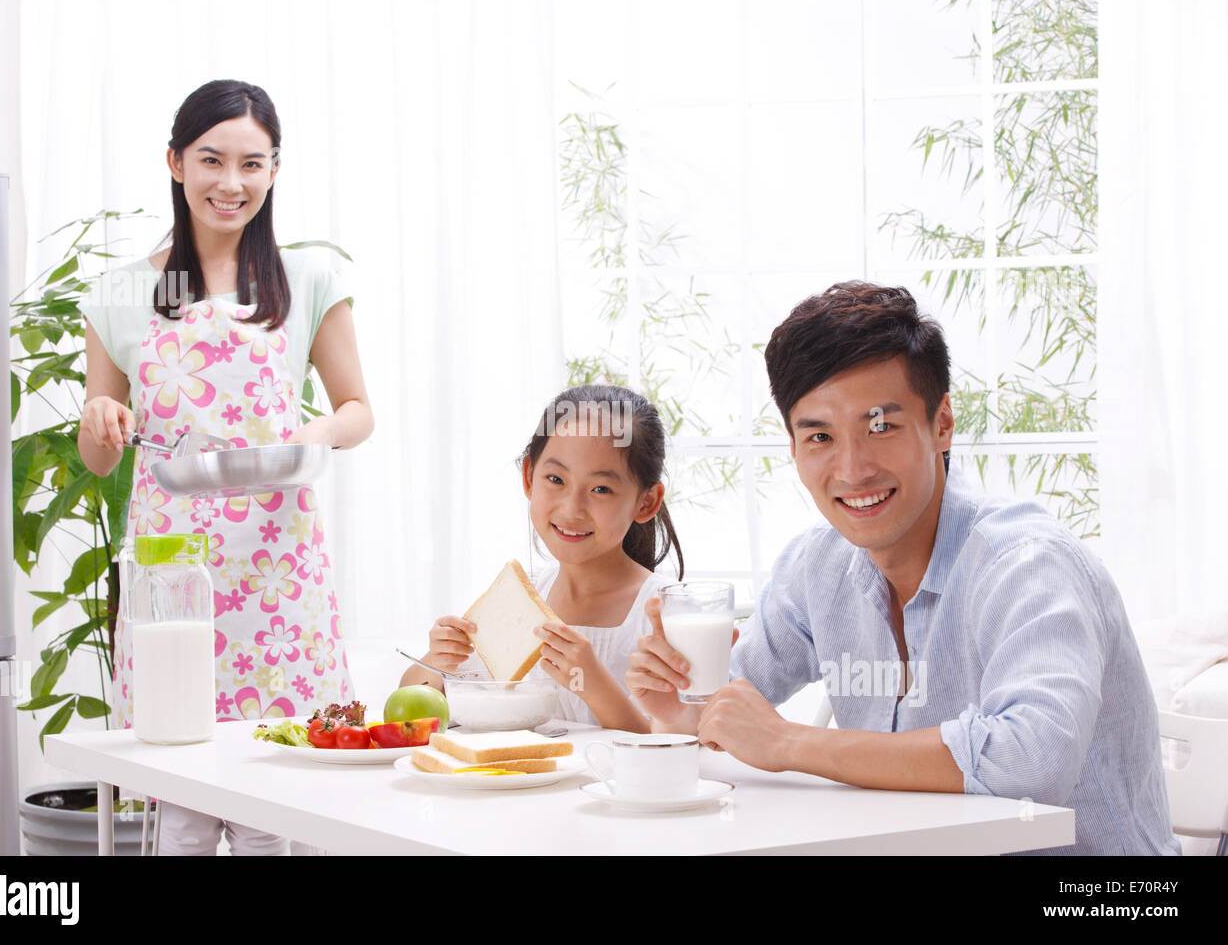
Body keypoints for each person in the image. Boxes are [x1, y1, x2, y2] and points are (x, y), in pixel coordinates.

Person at [627, 281, 1180, 855]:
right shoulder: (816, 568)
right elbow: (730, 709)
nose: (853, 468)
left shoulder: (1028, 566)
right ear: (793, 448)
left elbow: (1030, 760)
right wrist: (684, 709)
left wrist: (790, 743)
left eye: (881, 427)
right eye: (820, 436)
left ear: (942, 423)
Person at [78, 79, 374, 854]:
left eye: (252, 163)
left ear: (275, 170)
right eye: (211, 160)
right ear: (175, 163)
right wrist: (102, 421)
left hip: (279, 568)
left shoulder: (306, 280)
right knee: (180, 794)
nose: (231, 183)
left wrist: (315, 432)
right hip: (174, 567)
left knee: (274, 792)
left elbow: (358, 411)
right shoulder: (122, 292)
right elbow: (97, 445)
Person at [401, 385, 682, 731]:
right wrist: (436, 663)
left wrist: (591, 683)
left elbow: (677, 748)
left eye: (601, 489)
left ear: (646, 502)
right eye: (555, 479)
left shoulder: (666, 614)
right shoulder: (519, 599)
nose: (571, 508)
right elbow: (412, 713)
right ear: (529, 478)